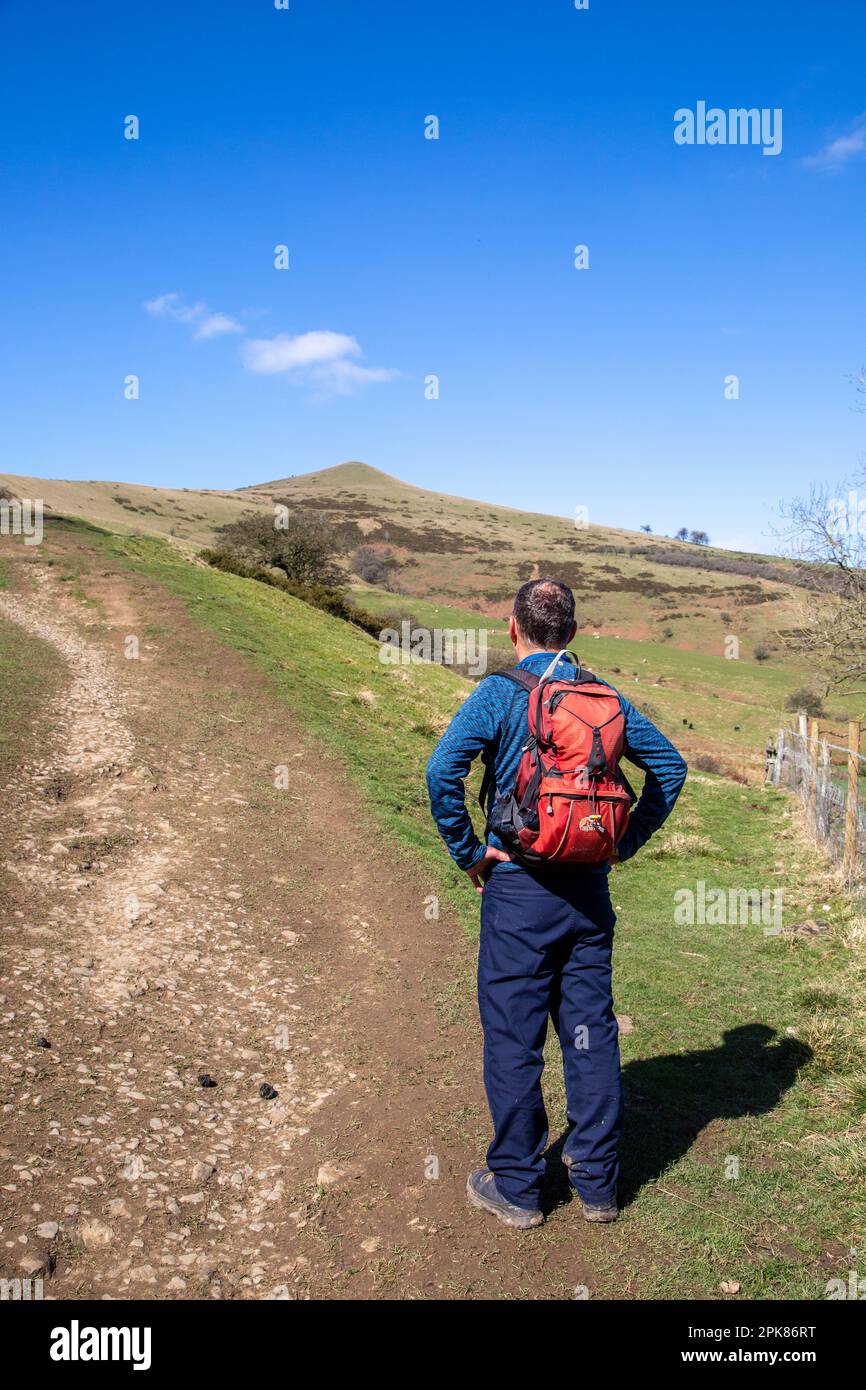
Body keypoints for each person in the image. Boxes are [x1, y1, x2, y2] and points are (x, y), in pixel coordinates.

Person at [426, 578, 688, 1229]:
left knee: (514, 1035)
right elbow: (672, 768)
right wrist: (623, 844)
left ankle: (517, 1185)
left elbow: (441, 772)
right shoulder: (605, 698)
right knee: (591, 1030)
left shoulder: (499, 693)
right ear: (571, 633)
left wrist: (469, 854)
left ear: (513, 628)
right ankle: (598, 1184)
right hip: (588, 892)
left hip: (516, 888)